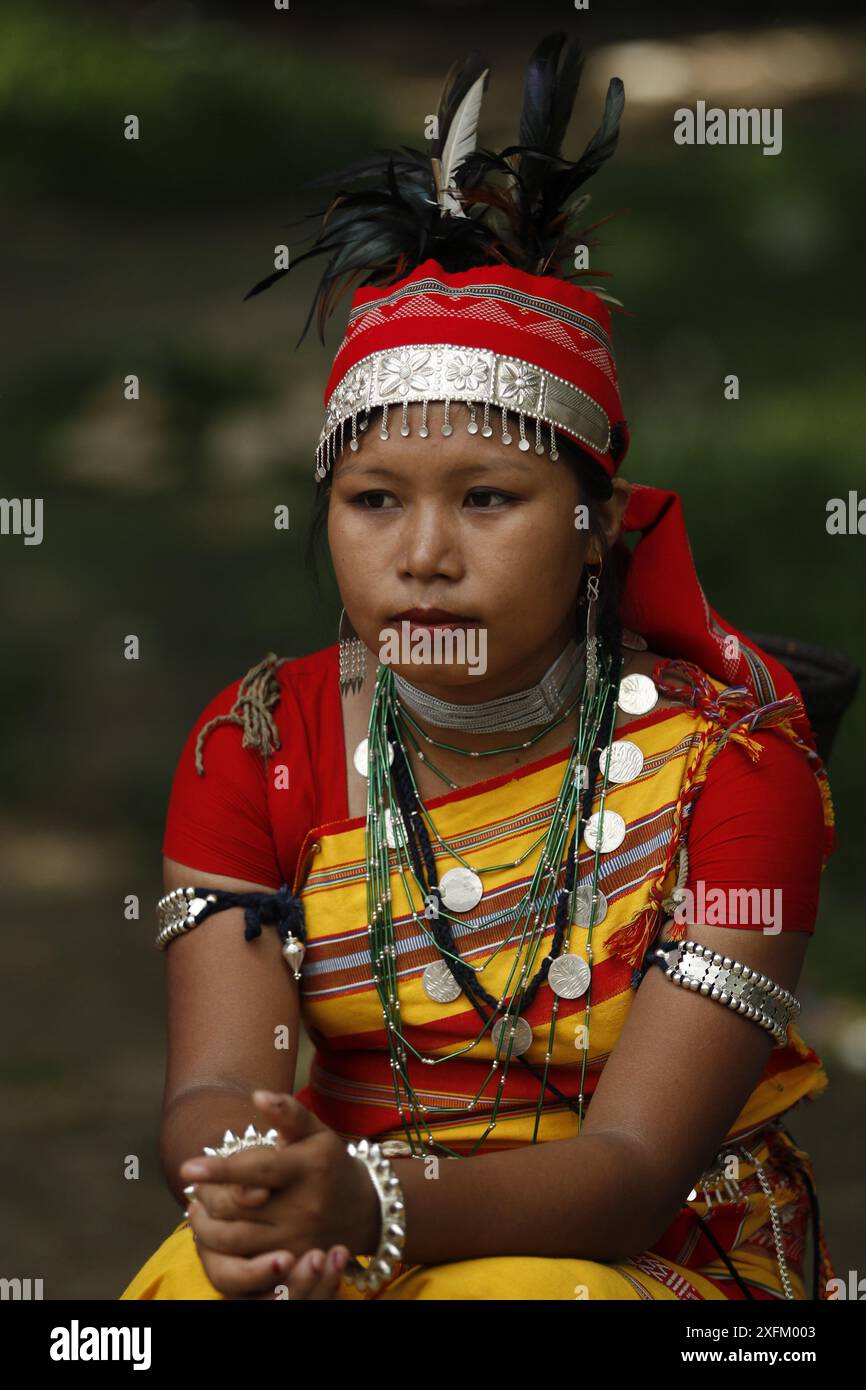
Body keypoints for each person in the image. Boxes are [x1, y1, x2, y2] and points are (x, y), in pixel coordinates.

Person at [120, 33, 838, 1301]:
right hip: (336, 1226)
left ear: (594, 524)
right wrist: (247, 1185)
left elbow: (628, 1168)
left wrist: (366, 1199)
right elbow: (217, 1089)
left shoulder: (733, 779)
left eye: (490, 499)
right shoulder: (257, 745)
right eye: (374, 500)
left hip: (637, 1264)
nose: (423, 558)